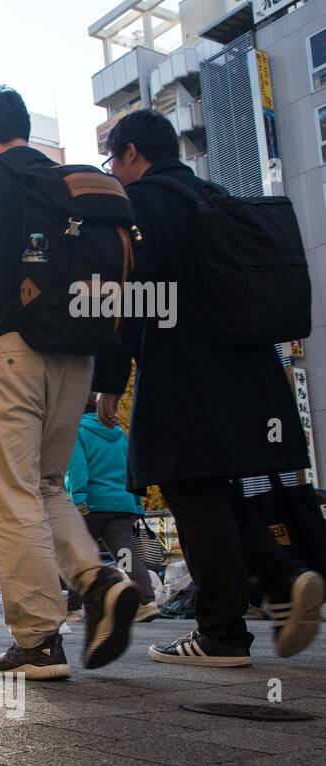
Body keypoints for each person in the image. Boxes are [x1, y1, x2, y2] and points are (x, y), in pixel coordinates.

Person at [97, 108, 323, 666]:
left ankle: (221, 632)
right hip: (247, 366)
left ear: (131, 154)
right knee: (214, 490)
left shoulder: (142, 205)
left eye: (113, 159)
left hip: (183, 369)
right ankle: (282, 577)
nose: (114, 170)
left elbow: (132, 297)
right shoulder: (215, 194)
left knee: (189, 488)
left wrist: (109, 381)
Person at [0, 86, 138, 680]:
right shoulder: (69, 181)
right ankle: (97, 581)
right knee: (46, 485)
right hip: (75, 358)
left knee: (4, 490)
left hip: (4, 351)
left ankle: (38, 639)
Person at [64, 395, 160, 622]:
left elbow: (76, 467)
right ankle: (147, 602)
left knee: (79, 556)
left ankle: (74, 609)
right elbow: (131, 468)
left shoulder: (76, 431)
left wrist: (77, 498)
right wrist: (136, 503)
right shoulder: (120, 434)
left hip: (91, 505)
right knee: (125, 555)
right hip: (123, 505)